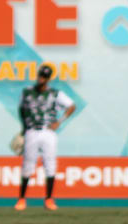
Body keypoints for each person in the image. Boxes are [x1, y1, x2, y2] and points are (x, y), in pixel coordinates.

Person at [14, 64, 77, 211]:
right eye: (41, 75)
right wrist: (24, 128)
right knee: (28, 164)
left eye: (45, 76)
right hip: (31, 131)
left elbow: (72, 106)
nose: (42, 78)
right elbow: (21, 109)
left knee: (50, 164)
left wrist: (59, 122)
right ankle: (22, 199)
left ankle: (49, 199)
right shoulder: (27, 92)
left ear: (48, 79)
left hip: (48, 132)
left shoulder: (55, 94)